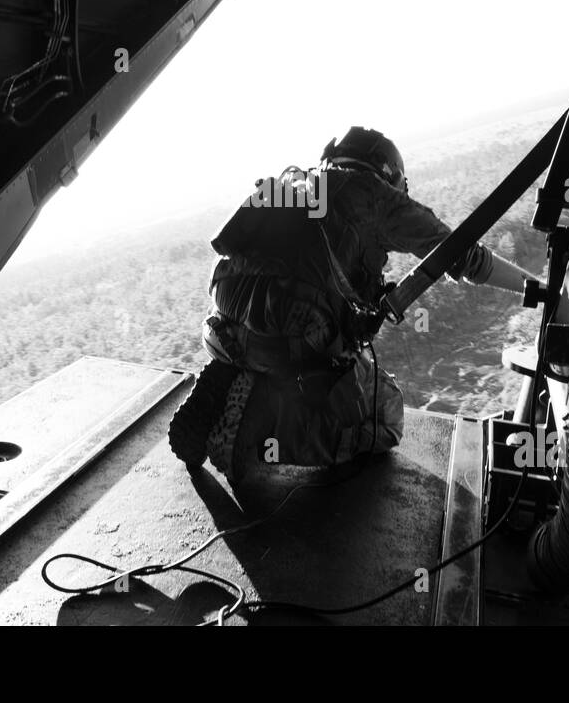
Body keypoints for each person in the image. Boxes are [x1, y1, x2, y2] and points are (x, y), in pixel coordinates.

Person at [168, 126, 531, 482]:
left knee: (306, 347)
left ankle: (243, 377)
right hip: (290, 340)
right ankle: (255, 432)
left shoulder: (300, 182)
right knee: (386, 418)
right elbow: (465, 257)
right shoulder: (371, 193)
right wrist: (539, 288)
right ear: (387, 172)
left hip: (226, 326)